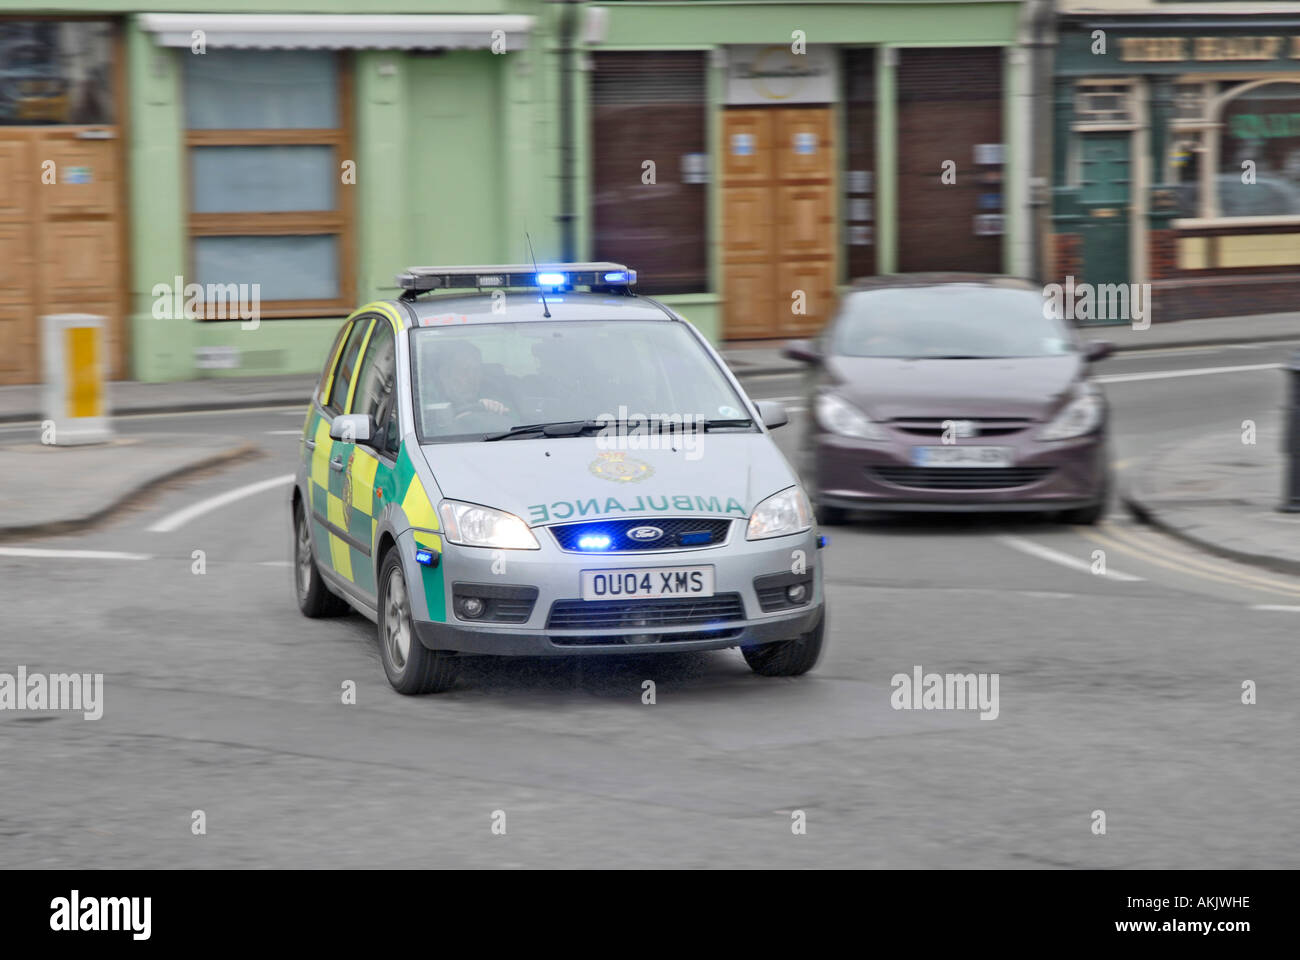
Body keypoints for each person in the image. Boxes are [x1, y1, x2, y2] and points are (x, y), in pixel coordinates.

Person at [432, 340, 514, 431]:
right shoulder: (425, 402)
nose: (472, 378)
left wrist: (495, 410)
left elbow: (518, 424)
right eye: (464, 370)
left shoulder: (497, 396)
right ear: (444, 375)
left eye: (476, 370)